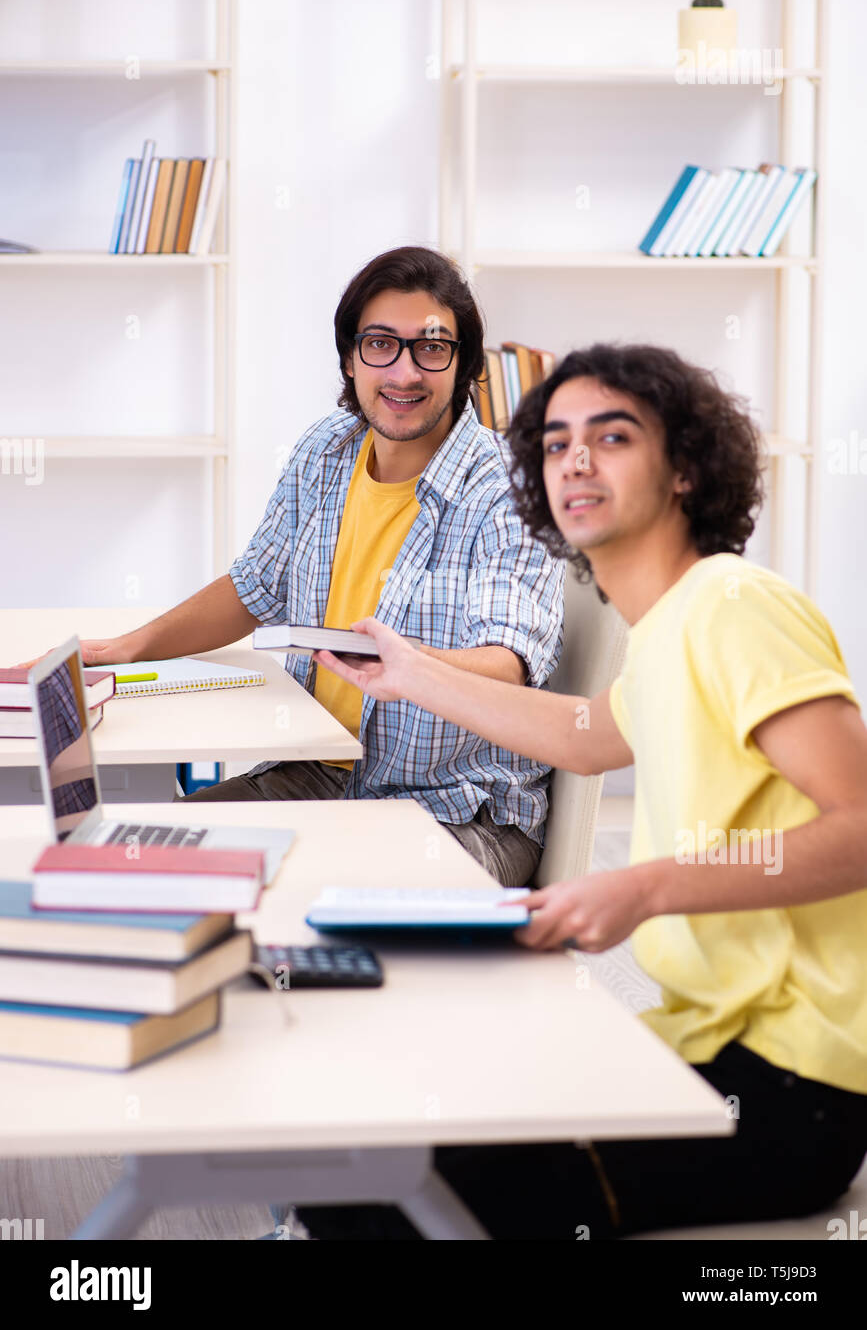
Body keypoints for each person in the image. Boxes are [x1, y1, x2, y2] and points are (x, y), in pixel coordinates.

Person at [295, 341, 867, 1239]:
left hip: (787, 1089)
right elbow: (583, 735)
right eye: (556, 443)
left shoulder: (731, 605)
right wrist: (408, 672)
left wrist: (643, 887)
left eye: (611, 437)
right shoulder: (670, 628)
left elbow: (861, 828)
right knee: (379, 1121)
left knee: (376, 1184)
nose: (575, 460)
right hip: (699, 1043)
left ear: (683, 469)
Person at [23, 247, 564, 888]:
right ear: (350, 358)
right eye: (380, 344)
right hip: (315, 776)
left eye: (432, 348)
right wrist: (127, 648)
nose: (405, 372)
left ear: (465, 364)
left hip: (456, 811)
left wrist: (408, 666)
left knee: (285, 894)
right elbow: (255, 586)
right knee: (134, 869)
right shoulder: (324, 452)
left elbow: (510, 662)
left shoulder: (505, 486)